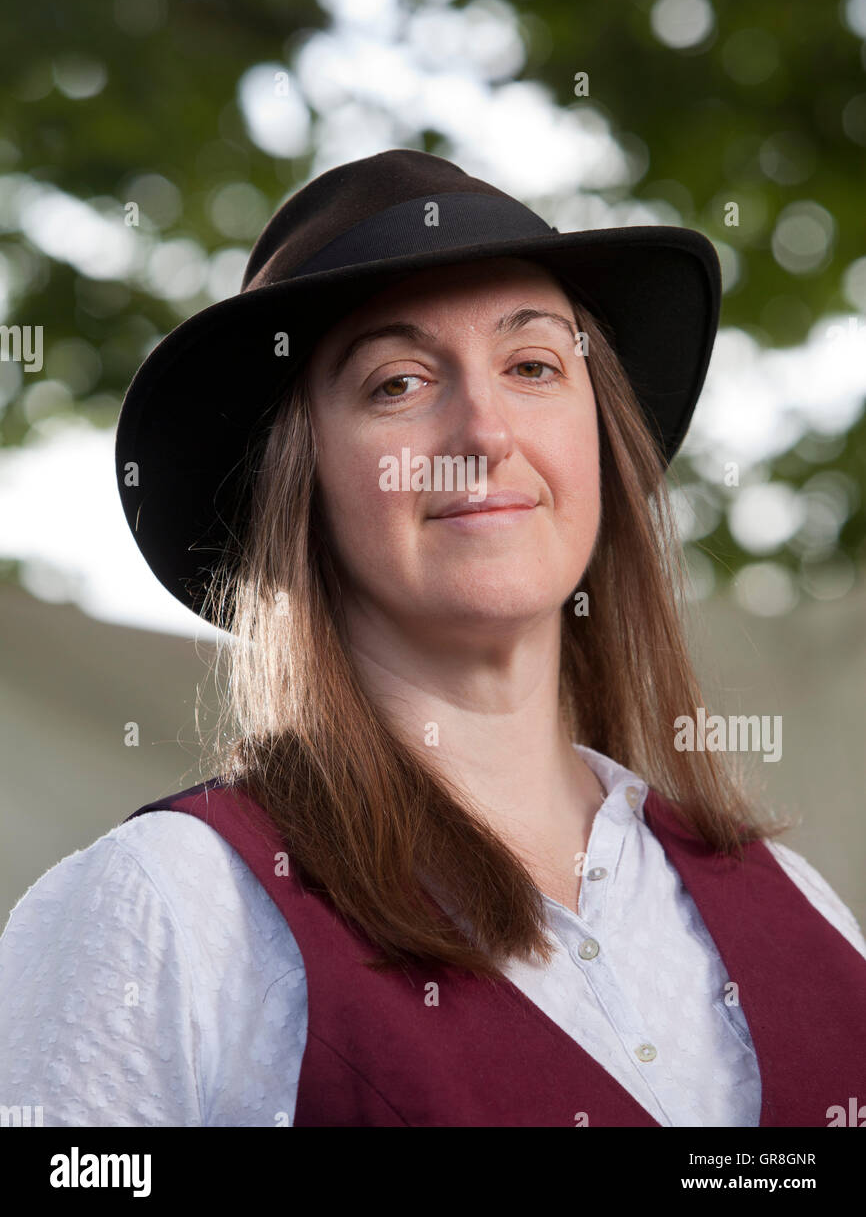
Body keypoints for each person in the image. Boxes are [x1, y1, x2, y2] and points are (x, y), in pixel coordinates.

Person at [0, 149, 864, 1128]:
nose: (484, 431)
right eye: (399, 382)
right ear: (300, 483)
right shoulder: (169, 907)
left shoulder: (798, 904)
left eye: (532, 364)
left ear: (598, 442)